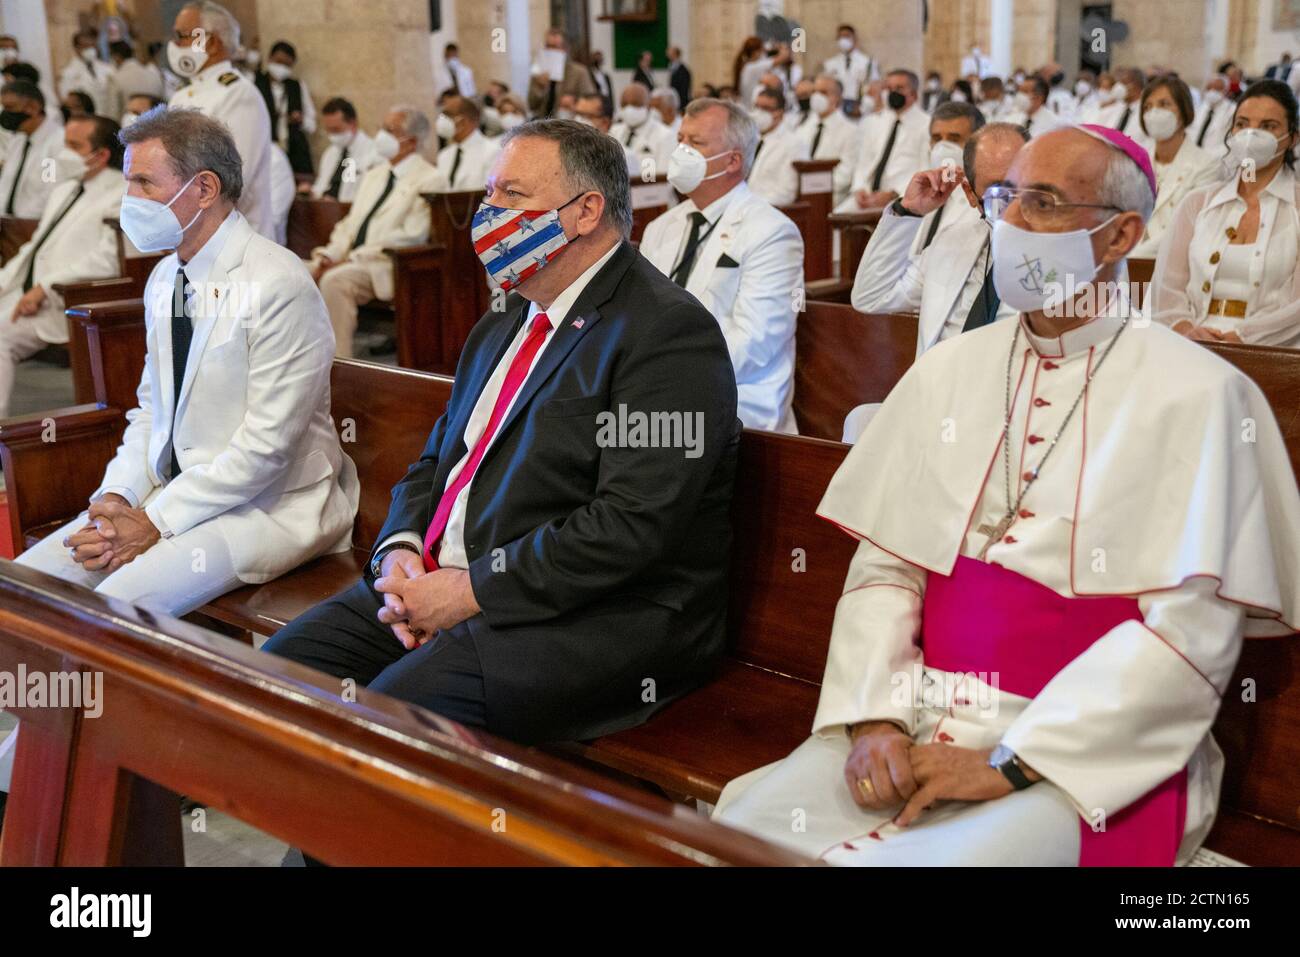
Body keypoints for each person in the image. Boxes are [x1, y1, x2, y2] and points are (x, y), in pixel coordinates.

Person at [714, 123, 1300, 866]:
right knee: (739, 832)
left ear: (1121, 235)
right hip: (916, 717)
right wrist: (874, 720)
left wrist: (1012, 761)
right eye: (1005, 198)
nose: (1012, 224)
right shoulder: (946, 371)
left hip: (1094, 758)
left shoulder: (1204, 396)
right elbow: (886, 572)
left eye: (1044, 202)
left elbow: (1190, 638)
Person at [262, 118, 740, 752]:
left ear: (586, 211)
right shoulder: (507, 318)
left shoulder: (666, 335)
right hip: (448, 580)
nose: (487, 215)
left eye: (510, 196)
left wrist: (470, 590)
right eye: (489, 195)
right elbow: (440, 459)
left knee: (390, 731)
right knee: (272, 677)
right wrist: (399, 552)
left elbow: (630, 526)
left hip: (594, 612)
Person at [14, 105, 359, 618]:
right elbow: (151, 411)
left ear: (204, 189)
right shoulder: (165, 279)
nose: (129, 198)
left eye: (144, 183)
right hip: (173, 492)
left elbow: (266, 448)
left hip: (269, 506)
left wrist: (154, 521)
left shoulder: (276, 281)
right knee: (29, 584)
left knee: (112, 611)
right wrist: (116, 497)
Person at [640, 98, 802, 433]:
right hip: (658, 385)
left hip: (739, 395)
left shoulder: (772, 231)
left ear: (732, 161)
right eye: (680, 140)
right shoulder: (661, 227)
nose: (680, 152)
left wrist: (667, 372)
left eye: (695, 143)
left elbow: (757, 342)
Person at [852, 120, 1025, 368]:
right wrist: (909, 211)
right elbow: (871, 296)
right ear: (970, 194)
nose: (1014, 198)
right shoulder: (952, 241)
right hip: (932, 392)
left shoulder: (1064, 258)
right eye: (997, 188)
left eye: (1021, 183)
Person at [1150, 80, 1300, 347]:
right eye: (1242, 124)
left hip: (1274, 354)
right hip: (1193, 345)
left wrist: (1242, 338)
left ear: (1292, 138)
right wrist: (1184, 328)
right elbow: (1166, 286)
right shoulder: (1197, 203)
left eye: (1268, 126)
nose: (1251, 135)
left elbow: (1296, 310)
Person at [0, 115, 124, 417]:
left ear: (101, 154)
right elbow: (35, 246)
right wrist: (4, 280)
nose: (63, 154)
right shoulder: (65, 189)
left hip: (68, 300)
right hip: (28, 291)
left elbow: (109, 259)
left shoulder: (121, 193)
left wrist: (45, 287)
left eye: (74, 145)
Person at [309, 106, 445, 356]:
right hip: (351, 258)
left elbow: (412, 234)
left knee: (334, 281)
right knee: (296, 270)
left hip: (386, 263)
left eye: (390, 131)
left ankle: (340, 363)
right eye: (382, 128)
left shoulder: (430, 178)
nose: (381, 136)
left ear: (411, 141)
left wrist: (350, 258)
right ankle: (307, 357)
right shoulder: (374, 175)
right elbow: (350, 224)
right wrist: (331, 254)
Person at [167, 1, 275, 240]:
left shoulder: (238, 94)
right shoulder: (181, 95)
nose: (174, 45)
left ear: (212, 42)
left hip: (236, 242)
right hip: (191, 236)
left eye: (181, 36)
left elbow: (234, 180)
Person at [1131, 75, 1218, 258]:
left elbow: (1187, 227)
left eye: (1164, 104)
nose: (1154, 113)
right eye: (1148, 107)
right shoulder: (1135, 160)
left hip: (1172, 262)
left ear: (1183, 110)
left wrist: (1132, 258)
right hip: (1130, 260)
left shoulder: (1207, 165)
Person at [838, 69, 930, 212]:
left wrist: (894, 193)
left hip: (902, 197)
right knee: (837, 218)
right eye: (888, 88)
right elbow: (863, 162)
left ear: (914, 94)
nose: (892, 92)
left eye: (899, 88)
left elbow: (926, 168)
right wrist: (859, 188)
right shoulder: (875, 122)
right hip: (868, 196)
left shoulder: (927, 125)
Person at [0, 80, 64, 218]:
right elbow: (5, 185)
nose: (5, 114)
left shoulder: (56, 143)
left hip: (30, 224)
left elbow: (49, 192)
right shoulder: (18, 140)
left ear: (33, 107)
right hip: (7, 224)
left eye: (10, 107)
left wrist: (17, 223)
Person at [795, 74, 859, 206]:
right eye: (814, 92)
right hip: (799, 194)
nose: (816, 96)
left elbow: (845, 174)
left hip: (831, 196)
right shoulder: (803, 129)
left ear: (837, 98)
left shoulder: (851, 131)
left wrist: (813, 187)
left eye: (823, 92)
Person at [254, 40, 316, 176]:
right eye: (279, 62)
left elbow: (312, 124)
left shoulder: (297, 86)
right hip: (264, 148)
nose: (281, 67)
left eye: (287, 65)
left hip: (293, 151)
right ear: (270, 58)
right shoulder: (255, 83)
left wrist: (300, 120)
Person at [747, 82, 809, 206]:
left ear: (779, 113)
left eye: (765, 109)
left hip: (768, 211)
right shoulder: (750, 139)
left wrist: (751, 206)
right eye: (756, 107)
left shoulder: (794, 144)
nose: (759, 113)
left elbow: (787, 192)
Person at [309, 96, 379, 201]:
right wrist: (312, 192)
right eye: (328, 130)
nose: (332, 135)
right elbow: (321, 185)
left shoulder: (373, 152)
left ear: (353, 124)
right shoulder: (330, 152)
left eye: (336, 129)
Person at [435, 95, 501, 191]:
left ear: (463, 121)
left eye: (447, 115)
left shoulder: (493, 152)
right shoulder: (444, 155)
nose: (442, 120)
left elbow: (491, 194)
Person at [527, 29, 595, 118]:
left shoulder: (579, 72)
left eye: (554, 47)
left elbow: (591, 102)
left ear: (565, 49)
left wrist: (574, 102)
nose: (550, 50)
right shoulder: (539, 71)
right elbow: (532, 105)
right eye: (548, 46)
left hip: (569, 124)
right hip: (544, 124)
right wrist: (540, 88)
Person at [609, 83, 675, 174]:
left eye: (636, 104)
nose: (629, 109)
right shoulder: (614, 131)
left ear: (649, 105)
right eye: (624, 104)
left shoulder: (665, 136)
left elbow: (663, 178)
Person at [58, 29, 118, 121]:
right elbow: (69, 101)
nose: (90, 50)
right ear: (76, 48)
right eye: (86, 46)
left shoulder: (107, 69)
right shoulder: (68, 73)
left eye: (93, 46)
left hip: (108, 117)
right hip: (86, 120)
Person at [824, 24, 877, 112]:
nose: (843, 40)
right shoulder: (830, 64)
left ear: (854, 38)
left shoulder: (867, 62)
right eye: (840, 37)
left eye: (846, 36)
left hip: (859, 107)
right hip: (838, 107)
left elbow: (873, 87)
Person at [1189, 74, 1235, 158]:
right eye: (1209, 88)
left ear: (1226, 91)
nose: (1212, 91)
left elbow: (1231, 140)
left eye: (1217, 89)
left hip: (1217, 158)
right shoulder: (1201, 107)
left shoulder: (1232, 111)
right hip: (1194, 155)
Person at [587, 50, 613, 115]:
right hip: (596, 103)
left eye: (600, 58)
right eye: (596, 58)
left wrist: (612, 105)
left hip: (607, 102)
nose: (598, 61)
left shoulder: (605, 76)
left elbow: (610, 92)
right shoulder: (588, 75)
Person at [667, 46, 692, 110]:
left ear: (675, 54)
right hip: (674, 100)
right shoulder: (672, 66)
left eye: (669, 53)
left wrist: (681, 104)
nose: (667, 54)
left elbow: (684, 89)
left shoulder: (683, 70)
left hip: (680, 102)